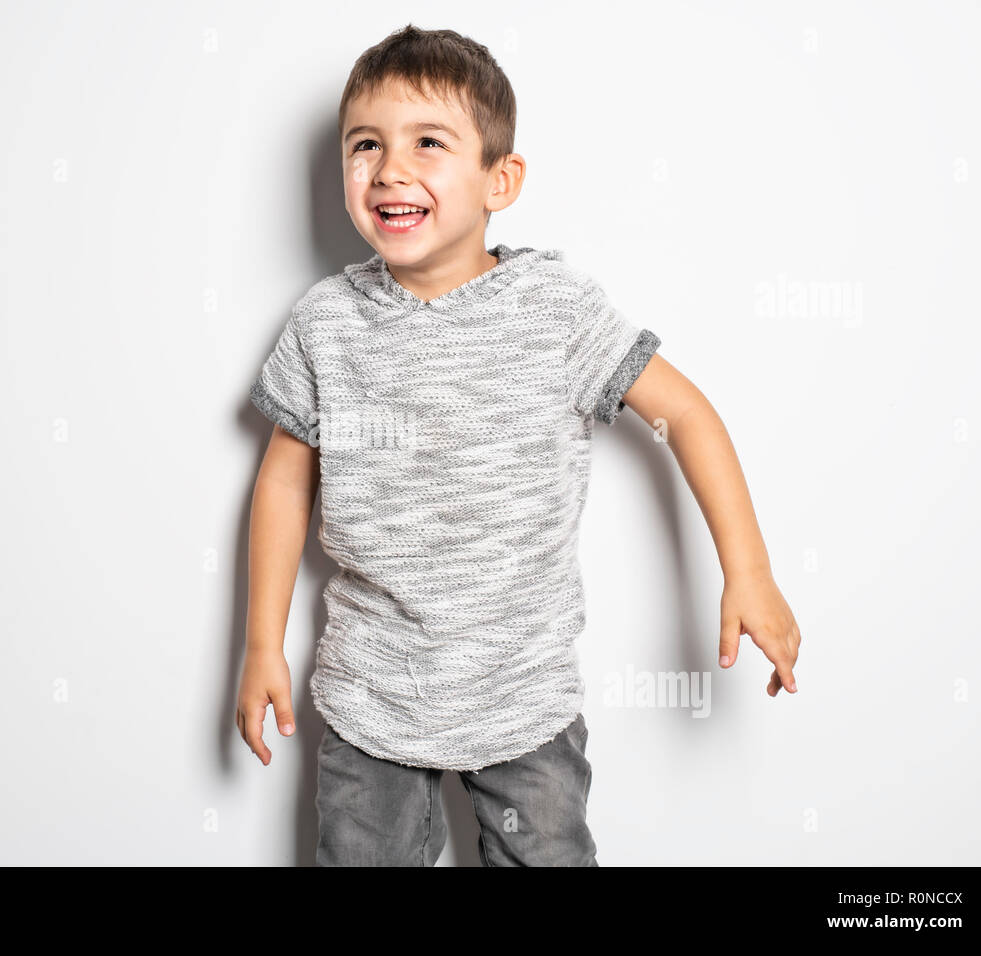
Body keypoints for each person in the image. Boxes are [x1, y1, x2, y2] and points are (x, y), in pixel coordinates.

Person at [237, 24, 802, 866]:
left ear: (501, 179)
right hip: (373, 694)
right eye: (366, 146)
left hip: (521, 696)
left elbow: (685, 415)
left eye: (428, 143)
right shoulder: (327, 322)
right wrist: (260, 645)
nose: (390, 169)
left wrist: (748, 572)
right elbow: (284, 483)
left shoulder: (554, 309)